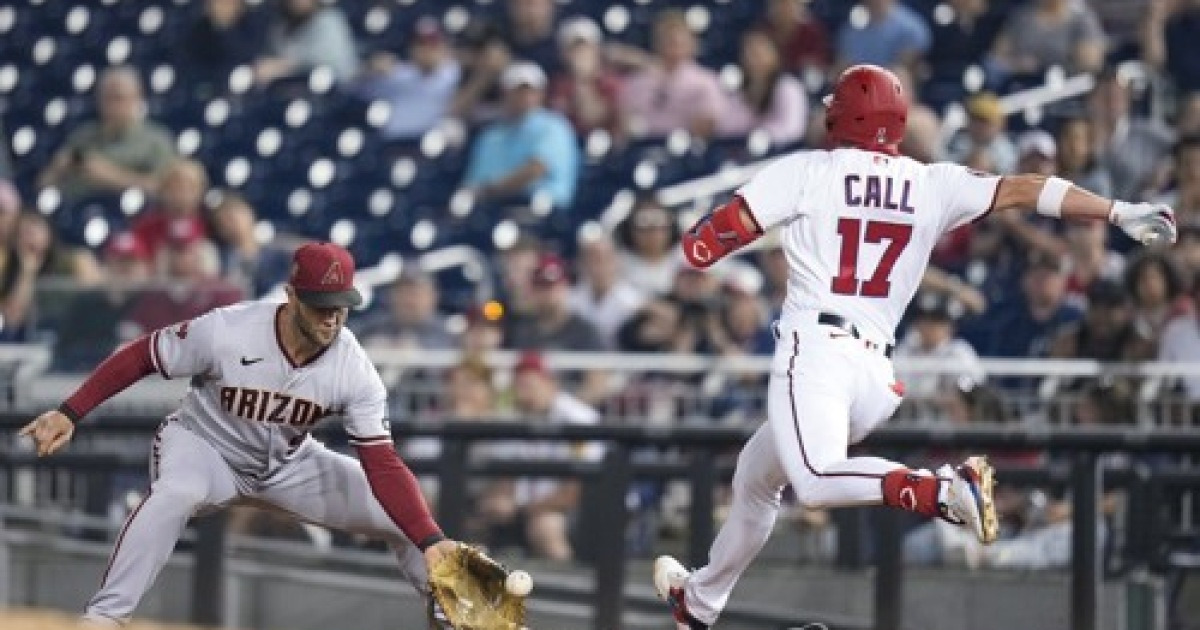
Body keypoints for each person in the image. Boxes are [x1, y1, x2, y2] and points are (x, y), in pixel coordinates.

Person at [651, 64, 1177, 629]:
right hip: (874, 373)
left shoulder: (809, 170)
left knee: (813, 478)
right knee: (756, 477)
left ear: (843, 114)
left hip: (818, 352)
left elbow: (704, 247)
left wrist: (701, 235)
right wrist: (1118, 210)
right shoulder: (932, 181)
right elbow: (1029, 190)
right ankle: (699, 601)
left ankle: (942, 491)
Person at [19, 242, 462, 626]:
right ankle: (103, 618)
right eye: (320, 305)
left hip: (288, 464)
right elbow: (141, 356)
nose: (332, 318)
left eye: (341, 306)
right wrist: (70, 411)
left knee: (405, 521)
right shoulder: (229, 330)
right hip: (203, 446)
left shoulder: (354, 368)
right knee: (175, 494)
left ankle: (462, 620)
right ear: (290, 295)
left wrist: (431, 539)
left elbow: (382, 463)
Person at [37, 66, 176, 200]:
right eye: (106, 98)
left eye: (118, 98)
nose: (112, 106)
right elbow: (44, 185)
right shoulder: (83, 135)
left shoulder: (156, 140)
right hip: (76, 211)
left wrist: (110, 176)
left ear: (137, 98)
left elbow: (166, 189)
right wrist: (58, 168)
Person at [461, 61, 580, 211]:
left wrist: (491, 190)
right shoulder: (491, 136)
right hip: (494, 209)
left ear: (541, 95)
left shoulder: (554, 127)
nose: (525, 97)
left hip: (541, 210)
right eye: (518, 91)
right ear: (505, 93)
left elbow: (535, 170)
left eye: (531, 91)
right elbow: (473, 184)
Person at [352, 17, 460, 141]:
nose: (427, 51)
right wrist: (369, 70)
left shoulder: (451, 73)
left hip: (430, 139)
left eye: (432, 45)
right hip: (393, 138)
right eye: (421, 45)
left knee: (454, 131)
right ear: (411, 49)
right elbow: (355, 88)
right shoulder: (396, 73)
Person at [720, 29, 808, 146]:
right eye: (749, 53)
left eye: (759, 52)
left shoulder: (788, 86)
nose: (754, 59)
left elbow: (794, 129)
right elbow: (727, 128)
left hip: (783, 153)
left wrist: (763, 134)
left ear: (775, 54)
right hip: (745, 154)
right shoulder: (738, 91)